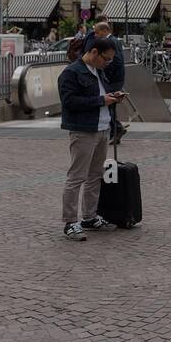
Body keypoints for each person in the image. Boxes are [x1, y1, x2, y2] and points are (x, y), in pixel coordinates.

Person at [58, 36, 125, 240]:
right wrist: (101, 100)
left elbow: (100, 95)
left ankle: (89, 216)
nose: (107, 63)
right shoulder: (71, 73)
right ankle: (70, 222)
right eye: (106, 58)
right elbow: (69, 101)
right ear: (94, 52)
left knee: (95, 175)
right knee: (77, 176)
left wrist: (113, 96)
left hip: (103, 128)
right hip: (84, 130)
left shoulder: (98, 71)